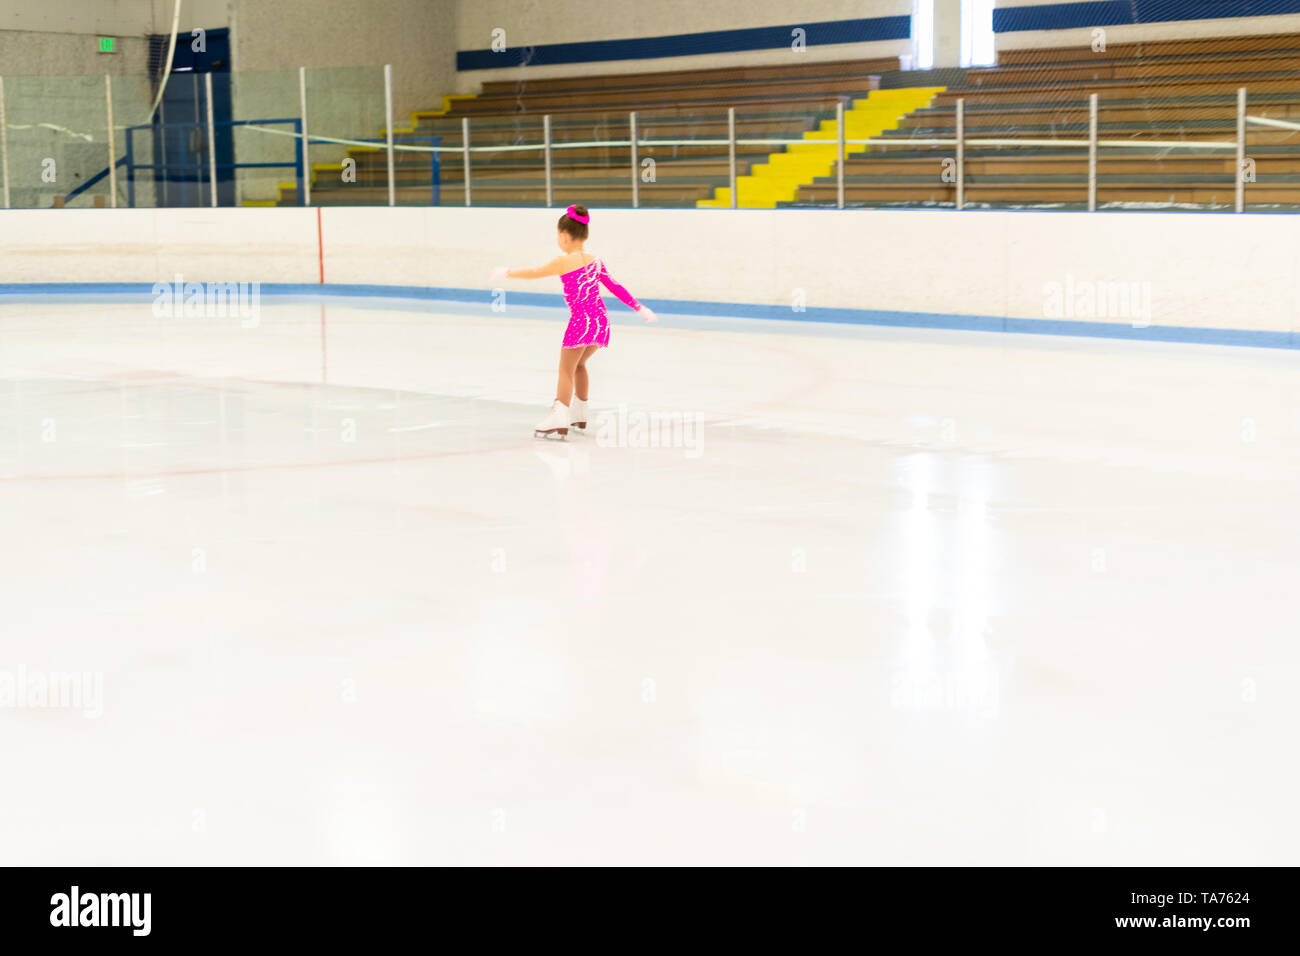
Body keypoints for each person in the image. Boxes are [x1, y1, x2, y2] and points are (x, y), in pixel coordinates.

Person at [490, 205, 656, 438]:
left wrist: (507, 272)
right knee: (579, 365)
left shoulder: (563, 261)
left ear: (565, 236)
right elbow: (615, 287)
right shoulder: (595, 261)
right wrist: (640, 308)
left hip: (582, 321)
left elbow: (534, 272)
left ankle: (559, 415)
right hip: (600, 321)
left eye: (558, 235)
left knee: (566, 369)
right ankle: (580, 413)